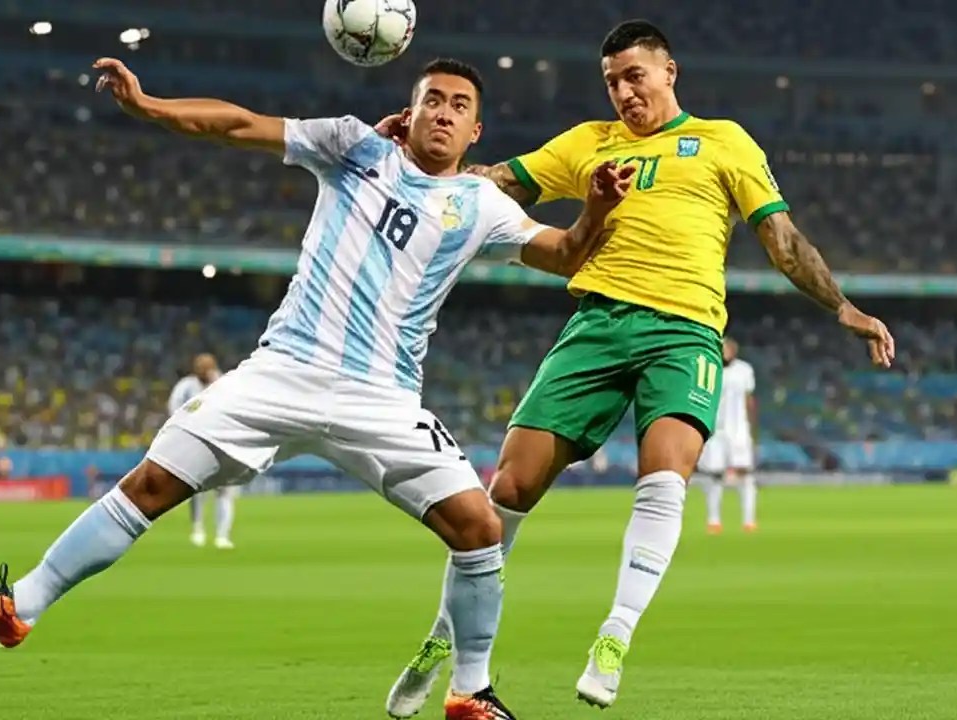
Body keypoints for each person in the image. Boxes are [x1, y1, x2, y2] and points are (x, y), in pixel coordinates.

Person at [0, 56, 633, 720]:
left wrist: (596, 208)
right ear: (409, 110)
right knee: (148, 484)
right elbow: (239, 123)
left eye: (460, 107)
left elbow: (567, 254)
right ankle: (20, 605)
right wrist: (149, 106)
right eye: (433, 101)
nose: (444, 115)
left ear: (477, 130)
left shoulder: (479, 204)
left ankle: (470, 692)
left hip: (382, 397)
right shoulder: (354, 146)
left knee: (480, 529)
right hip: (280, 373)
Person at [382, 20, 896, 713]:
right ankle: (447, 639)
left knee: (665, 474)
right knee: (507, 487)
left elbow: (780, 238)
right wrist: (418, 158)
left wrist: (842, 307)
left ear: (669, 72)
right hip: (596, 325)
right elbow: (498, 183)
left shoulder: (723, 141)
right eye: (612, 82)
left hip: (684, 332)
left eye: (635, 77)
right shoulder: (589, 143)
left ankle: (614, 639)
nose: (624, 92)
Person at [168, 353, 237, 549]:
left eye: (208, 368)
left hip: (223, 442)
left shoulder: (223, 383)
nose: (205, 372)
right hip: (196, 441)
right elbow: (174, 408)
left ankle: (222, 535)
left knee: (225, 490)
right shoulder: (186, 386)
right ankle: (198, 528)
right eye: (202, 368)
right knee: (198, 489)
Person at [696, 337, 758, 533]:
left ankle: (749, 520)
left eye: (728, 348)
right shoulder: (708, 368)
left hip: (739, 429)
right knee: (714, 475)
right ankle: (714, 520)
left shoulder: (744, 370)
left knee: (745, 474)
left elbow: (749, 400)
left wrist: (752, 429)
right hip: (715, 430)